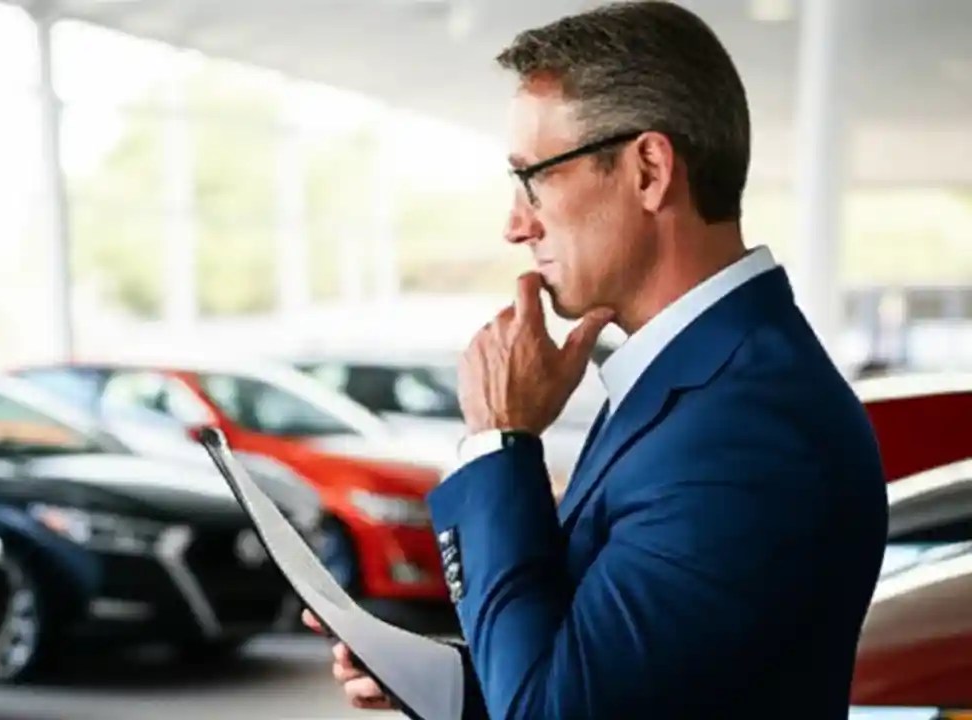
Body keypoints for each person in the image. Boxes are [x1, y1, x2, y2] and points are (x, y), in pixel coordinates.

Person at [305, 2, 889, 718]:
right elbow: (627, 673)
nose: (516, 225)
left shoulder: (743, 429)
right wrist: (445, 679)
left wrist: (499, 440)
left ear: (648, 169)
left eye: (535, 178)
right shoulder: (703, 380)